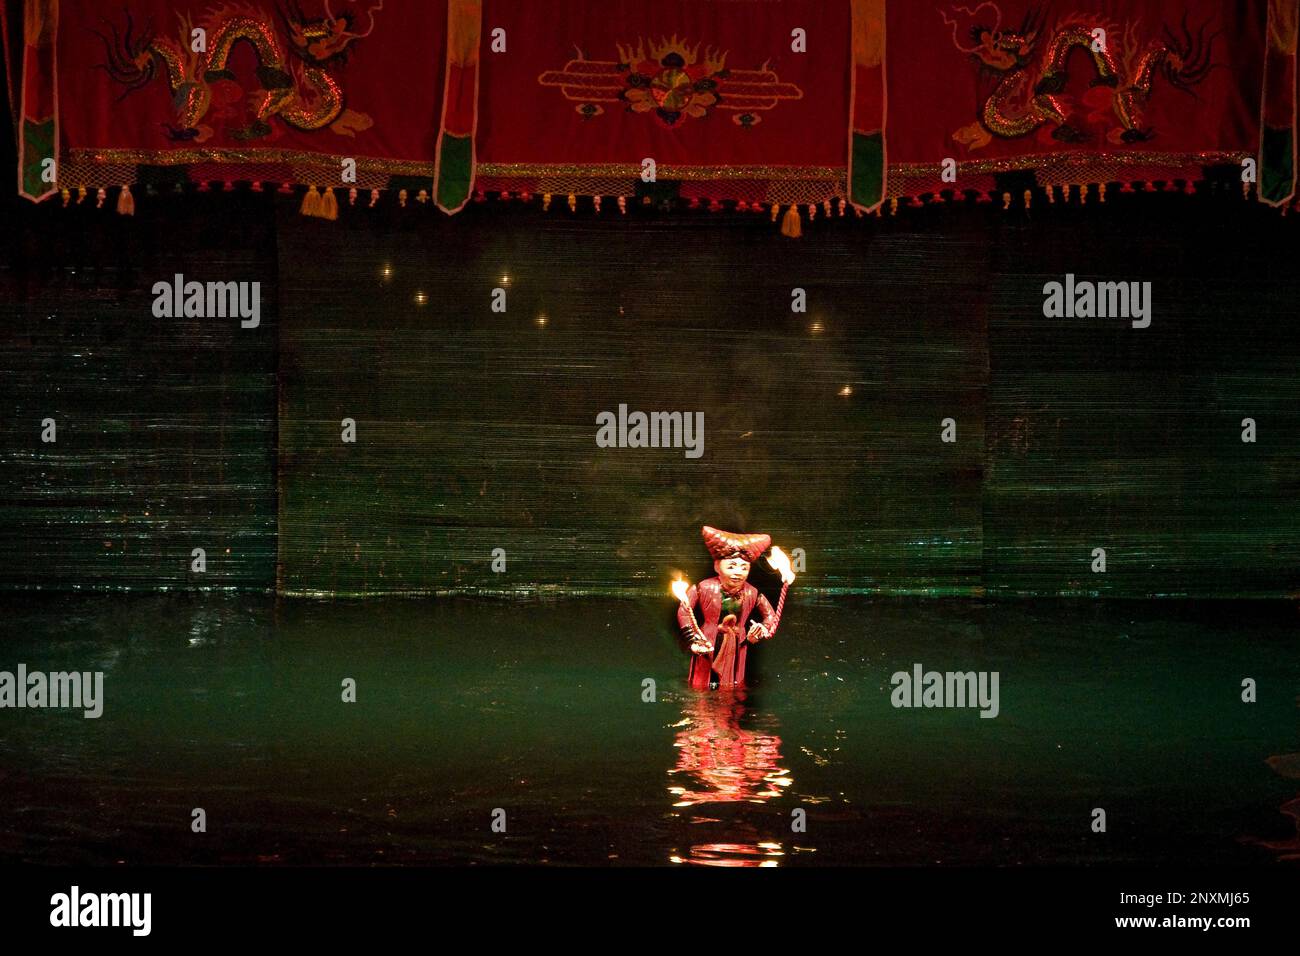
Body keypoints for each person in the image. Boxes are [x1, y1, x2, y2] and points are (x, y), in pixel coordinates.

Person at [676, 526, 777, 690]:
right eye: (731, 566)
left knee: (731, 685)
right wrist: (693, 640)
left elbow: (770, 617)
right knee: (703, 684)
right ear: (717, 566)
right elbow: (684, 611)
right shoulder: (703, 587)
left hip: (737, 645)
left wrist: (761, 631)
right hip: (707, 641)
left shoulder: (752, 592)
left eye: (744, 568)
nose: (738, 572)